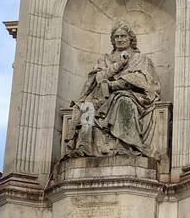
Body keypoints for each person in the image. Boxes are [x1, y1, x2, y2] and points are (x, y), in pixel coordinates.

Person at [67, 22, 161, 157]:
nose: (120, 39)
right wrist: (118, 65)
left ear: (130, 39)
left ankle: (125, 146)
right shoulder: (105, 59)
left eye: (123, 36)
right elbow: (98, 78)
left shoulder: (140, 59)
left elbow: (145, 81)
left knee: (124, 101)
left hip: (132, 96)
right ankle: (84, 148)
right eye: (116, 37)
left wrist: (115, 84)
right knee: (87, 106)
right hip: (103, 97)